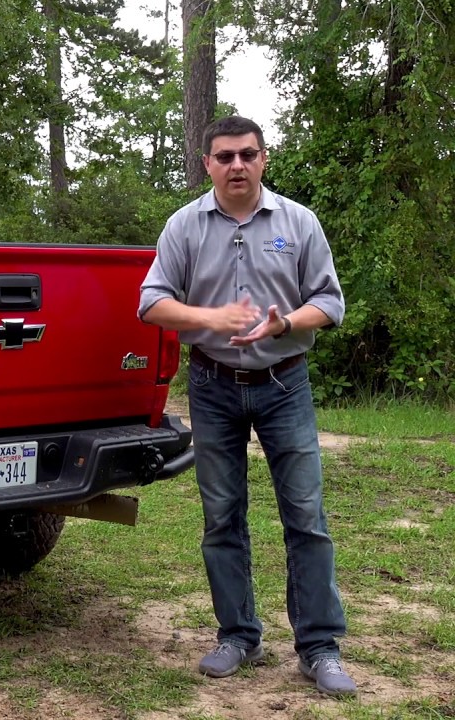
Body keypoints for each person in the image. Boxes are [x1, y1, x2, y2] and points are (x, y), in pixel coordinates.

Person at [138, 115, 356, 697]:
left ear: (263, 160)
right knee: (222, 517)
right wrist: (210, 318)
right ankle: (238, 635)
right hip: (211, 384)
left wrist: (283, 322)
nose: (237, 165)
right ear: (207, 163)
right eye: (226, 156)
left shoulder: (298, 222)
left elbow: (329, 303)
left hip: (285, 383)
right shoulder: (185, 226)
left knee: (306, 516)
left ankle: (319, 647)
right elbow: (152, 302)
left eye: (248, 155)